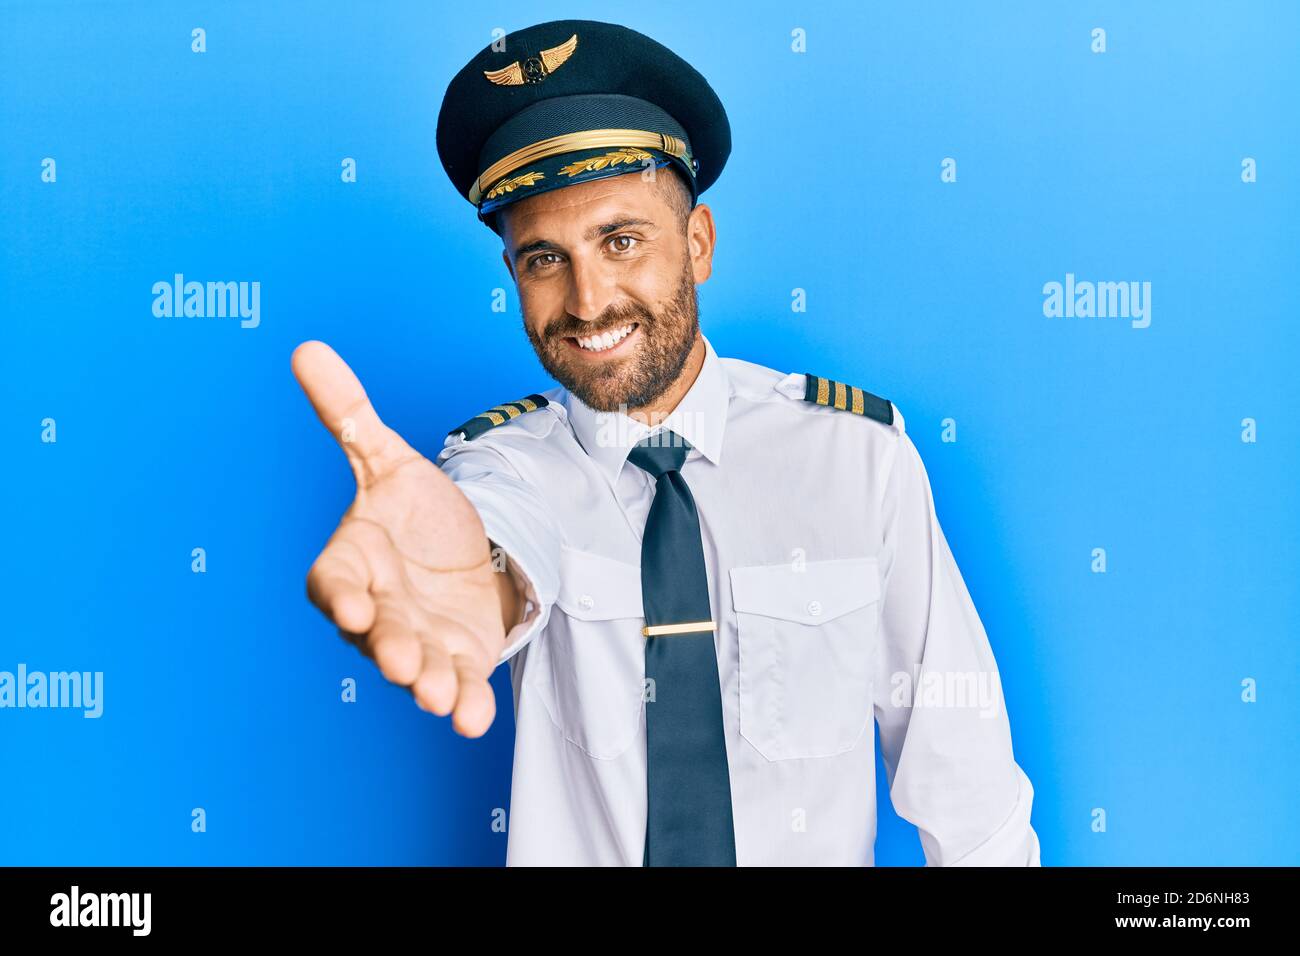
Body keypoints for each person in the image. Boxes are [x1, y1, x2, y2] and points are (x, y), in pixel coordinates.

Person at [291, 18, 1041, 866]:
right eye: (544, 258)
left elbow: (966, 784)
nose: (586, 299)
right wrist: (477, 586)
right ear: (512, 277)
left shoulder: (858, 460)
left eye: (621, 241)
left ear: (698, 244)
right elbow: (496, 545)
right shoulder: (500, 464)